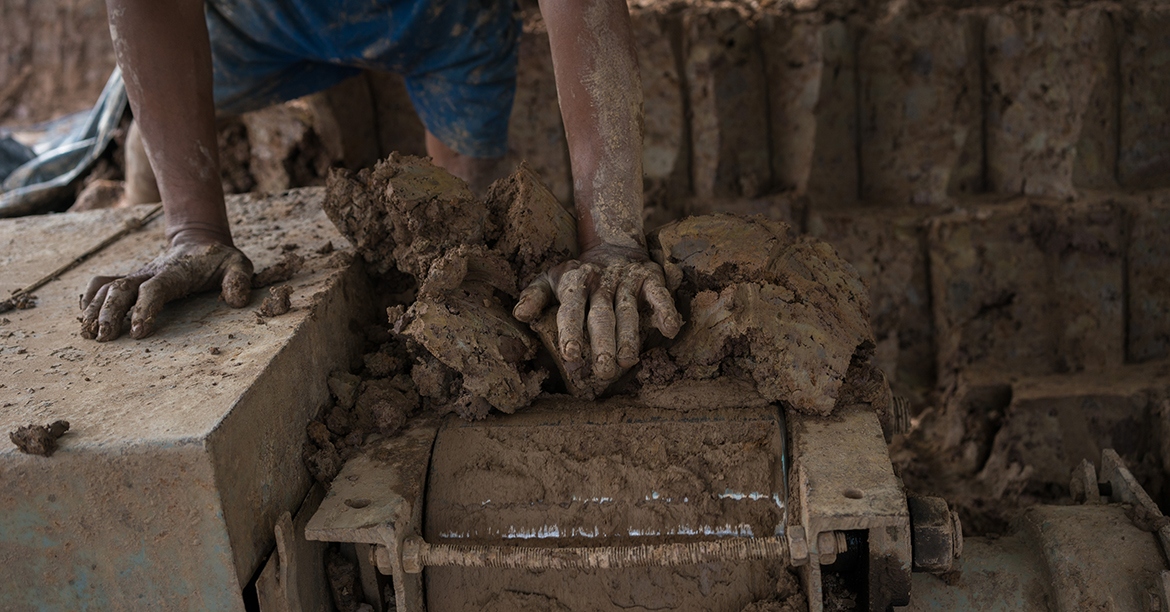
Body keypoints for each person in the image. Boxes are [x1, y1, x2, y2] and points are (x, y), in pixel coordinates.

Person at [80, 0, 682, 380]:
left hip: (442, 22)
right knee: (145, 143)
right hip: (252, 19)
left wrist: (611, 240)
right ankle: (145, 178)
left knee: (462, 246)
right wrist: (193, 227)